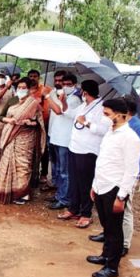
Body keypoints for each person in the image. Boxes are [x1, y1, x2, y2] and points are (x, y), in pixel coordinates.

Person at [86, 98, 140, 277]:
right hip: (101, 184)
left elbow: (131, 171)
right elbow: (102, 160)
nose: (104, 118)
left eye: (107, 114)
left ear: (120, 115)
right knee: (106, 226)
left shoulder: (131, 138)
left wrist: (121, 196)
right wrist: (94, 184)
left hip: (115, 187)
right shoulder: (110, 132)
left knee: (115, 229)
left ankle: (112, 266)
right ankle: (105, 255)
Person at [60, 80, 110, 229]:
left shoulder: (102, 108)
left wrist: (87, 123)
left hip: (88, 150)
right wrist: (63, 102)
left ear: (85, 92)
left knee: (85, 183)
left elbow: (104, 129)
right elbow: (70, 114)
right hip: (74, 147)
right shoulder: (83, 106)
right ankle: (73, 208)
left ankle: (86, 213)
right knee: (74, 181)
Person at [0, 78, 43, 205]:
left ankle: (22, 194)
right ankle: (8, 190)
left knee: (23, 165)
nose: (21, 90)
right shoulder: (13, 100)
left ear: (28, 89)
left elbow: (39, 123)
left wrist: (30, 123)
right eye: (19, 87)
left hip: (26, 137)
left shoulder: (33, 103)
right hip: (10, 134)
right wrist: (8, 120)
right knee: (7, 162)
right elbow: (0, 117)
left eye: (24, 87)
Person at [45, 72, 81, 210]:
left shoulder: (74, 100)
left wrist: (48, 96)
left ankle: (64, 199)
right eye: (63, 84)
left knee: (64, 171)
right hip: (56, 137)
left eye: (69, 84)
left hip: (65, 140)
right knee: (58, 169)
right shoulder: (63, 96)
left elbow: (59, 111)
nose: (65, 86)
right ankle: (59, 194)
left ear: (75, 85)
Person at [27, 69, 52, 188]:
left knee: (43, 148)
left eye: (35, 76)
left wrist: (44, 98)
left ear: (38, 77)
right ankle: (31, 174)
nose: (33, 78)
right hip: (28, 124)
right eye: (31, 76)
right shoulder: (24, 90)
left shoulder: (45, 89)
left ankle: (44, 174)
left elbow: (52, 103)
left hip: (44, 123)